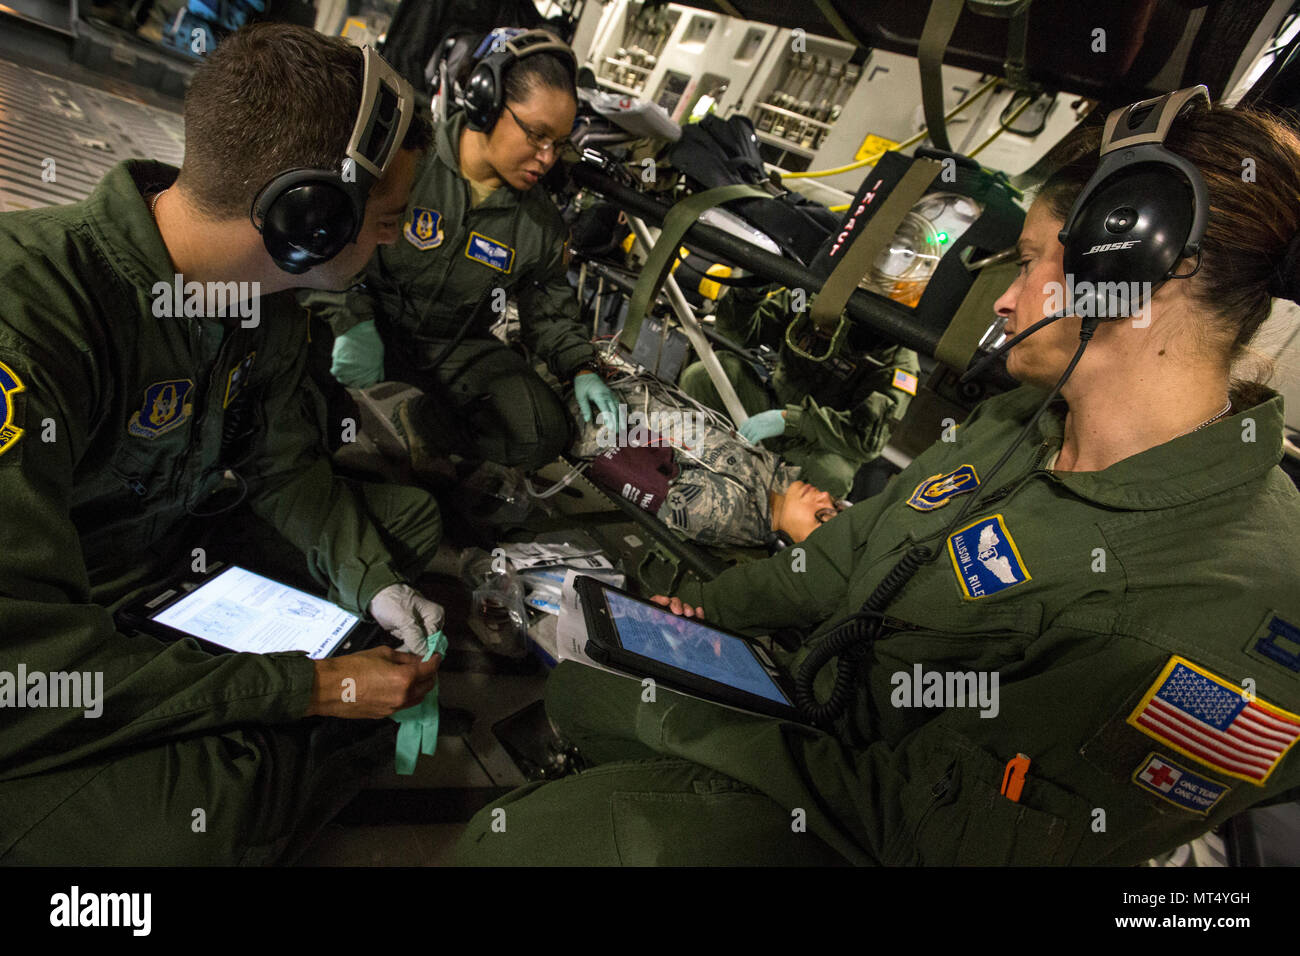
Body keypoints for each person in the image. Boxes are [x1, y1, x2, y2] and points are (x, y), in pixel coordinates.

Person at [454, 97, 1300, 866]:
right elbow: (846, 553)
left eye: (1032, 261)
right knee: (581, 690)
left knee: (513, 848)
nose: (1004, 303)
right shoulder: (1023, 424)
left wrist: (692, 723)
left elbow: (932, 835)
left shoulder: (1220, 612)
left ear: (1126, 265)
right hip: (818, 712)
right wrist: (703, 626)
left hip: (872, 828)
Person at [0, 24, 448, 865]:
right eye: (384, 221)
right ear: (307, 219)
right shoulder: (29, 326)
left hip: (160, 568)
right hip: (52, 636)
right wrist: (305, 687)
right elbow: (22, 668)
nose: (393, 239)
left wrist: (376, 585)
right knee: (199, 820)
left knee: (401, 535)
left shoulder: (260, 301)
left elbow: (284, 466)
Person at [306, 28, 618, 474]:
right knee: (293, 348)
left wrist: (582, 366)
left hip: (448, 347)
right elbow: (324, 240)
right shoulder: (407, 158)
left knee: (540, 429)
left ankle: (421, 428)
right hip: (364, 323)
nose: (547, 158)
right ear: (485, 103)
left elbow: (548, 310)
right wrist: (349, 318)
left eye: (560, 144)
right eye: (536, 135)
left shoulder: (540, 225)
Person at [678, 282, 921, 498]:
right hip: (767, 406)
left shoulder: (896, 359)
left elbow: (866, 440)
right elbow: (740, 334)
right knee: (707, 375)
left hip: (815, 446)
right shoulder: (808, 298)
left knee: (833, 474)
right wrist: (750, 292)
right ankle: (686, 467)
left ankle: (766, 533)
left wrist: (792, 420)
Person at [568, 378, 847, 548]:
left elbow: (635, 467)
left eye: (822, 515)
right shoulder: (772, 479)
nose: (823, 495)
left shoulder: (725, 511)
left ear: (802, 543)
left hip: (583, 415)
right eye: (834, 503)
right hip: (621, 389)